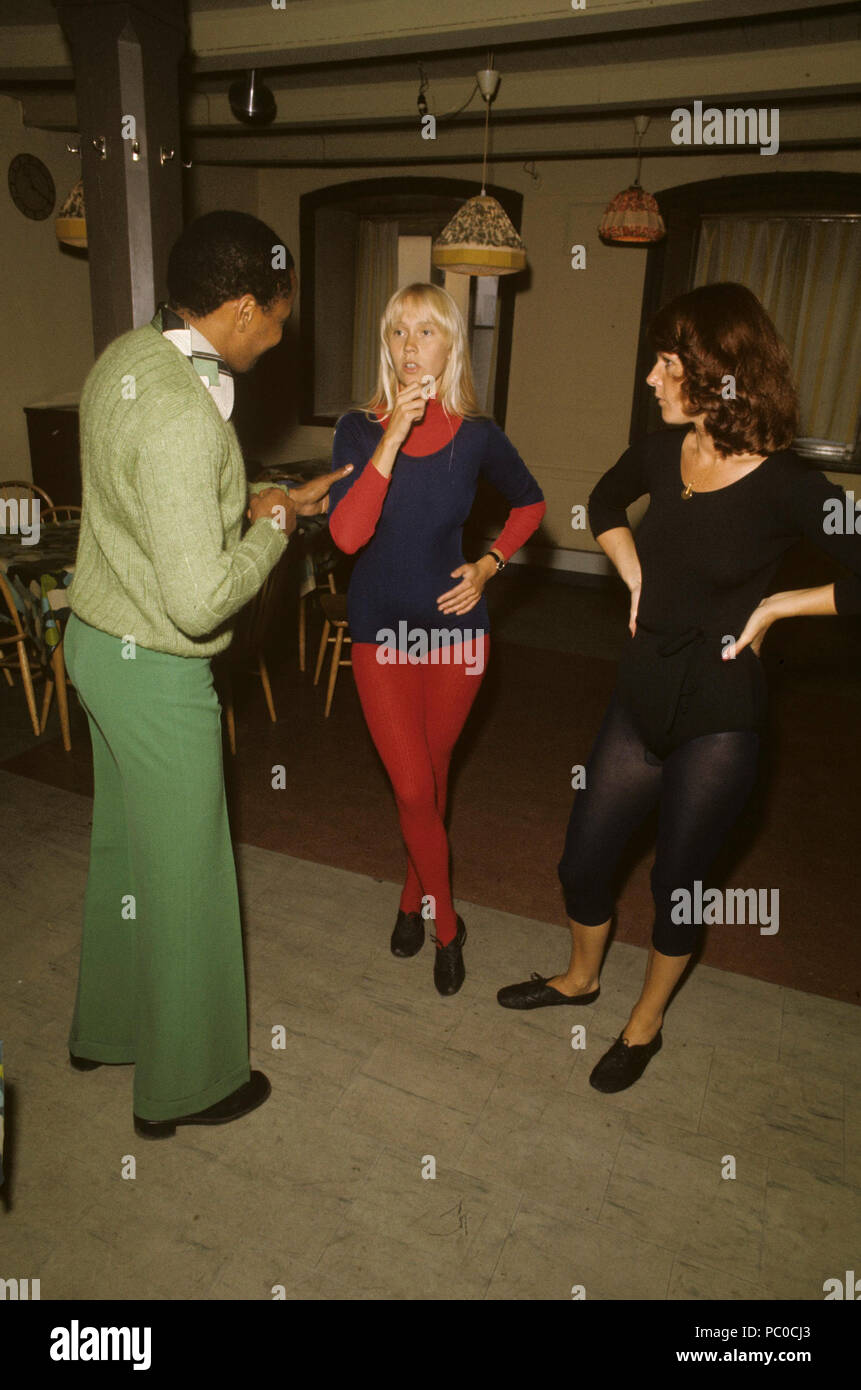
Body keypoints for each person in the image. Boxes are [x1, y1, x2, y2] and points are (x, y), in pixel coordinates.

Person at [498, 281, 861, 1090]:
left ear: (720, 371)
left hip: (720, 714)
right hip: (640, 693)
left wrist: (777, 606)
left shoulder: (788, 484)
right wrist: (631, 575)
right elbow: (598, 503)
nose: (652, 380)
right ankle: (580, 978)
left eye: (668, 364)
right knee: (583, 863)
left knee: (678, 885)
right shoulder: (663, 450)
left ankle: (645, 1022)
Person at [64, 211, 352, 1137]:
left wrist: (266, 501)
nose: (280, 329)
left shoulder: (126, 358)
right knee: (187, 872)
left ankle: (108, 1030)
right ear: (238, 308)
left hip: (97, 646)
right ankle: (188, 1084)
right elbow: (196, 603)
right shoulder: (190, 417)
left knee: (124, 853)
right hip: (154, 666)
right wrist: (272, 531)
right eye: (277, 313)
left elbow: (155, 514)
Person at [328, 283, 545, 996]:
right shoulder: (358, 429)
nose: (411, 346)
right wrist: (391, 437)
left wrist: (488, 565)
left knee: (434, 777)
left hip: (456, 635)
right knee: (414, 786)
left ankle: (407, 897)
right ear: (386, 345)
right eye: (398, 332)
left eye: (426, 332)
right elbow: (347, 534)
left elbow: (531, 502)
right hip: (380, 633)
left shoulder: (477, 434)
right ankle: (447, 925)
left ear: (452, 346)